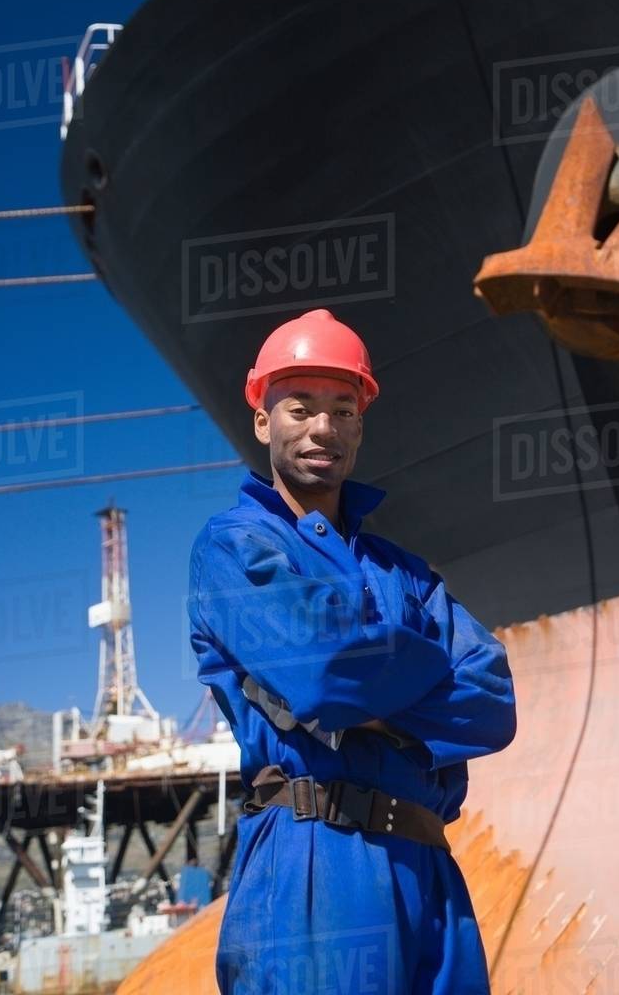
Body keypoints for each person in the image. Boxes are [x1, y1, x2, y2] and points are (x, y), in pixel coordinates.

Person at [187, 307, 516, 994]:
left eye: (343, 410)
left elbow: (492, 703)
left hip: (429, 862)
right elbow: (327, 678)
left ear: (361, 426)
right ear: (262, 420)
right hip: (317, 858)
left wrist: (377, 690)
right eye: (301, 408)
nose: (323, 429)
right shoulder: (236, 547)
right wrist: (425, 666)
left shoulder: (405, 570)